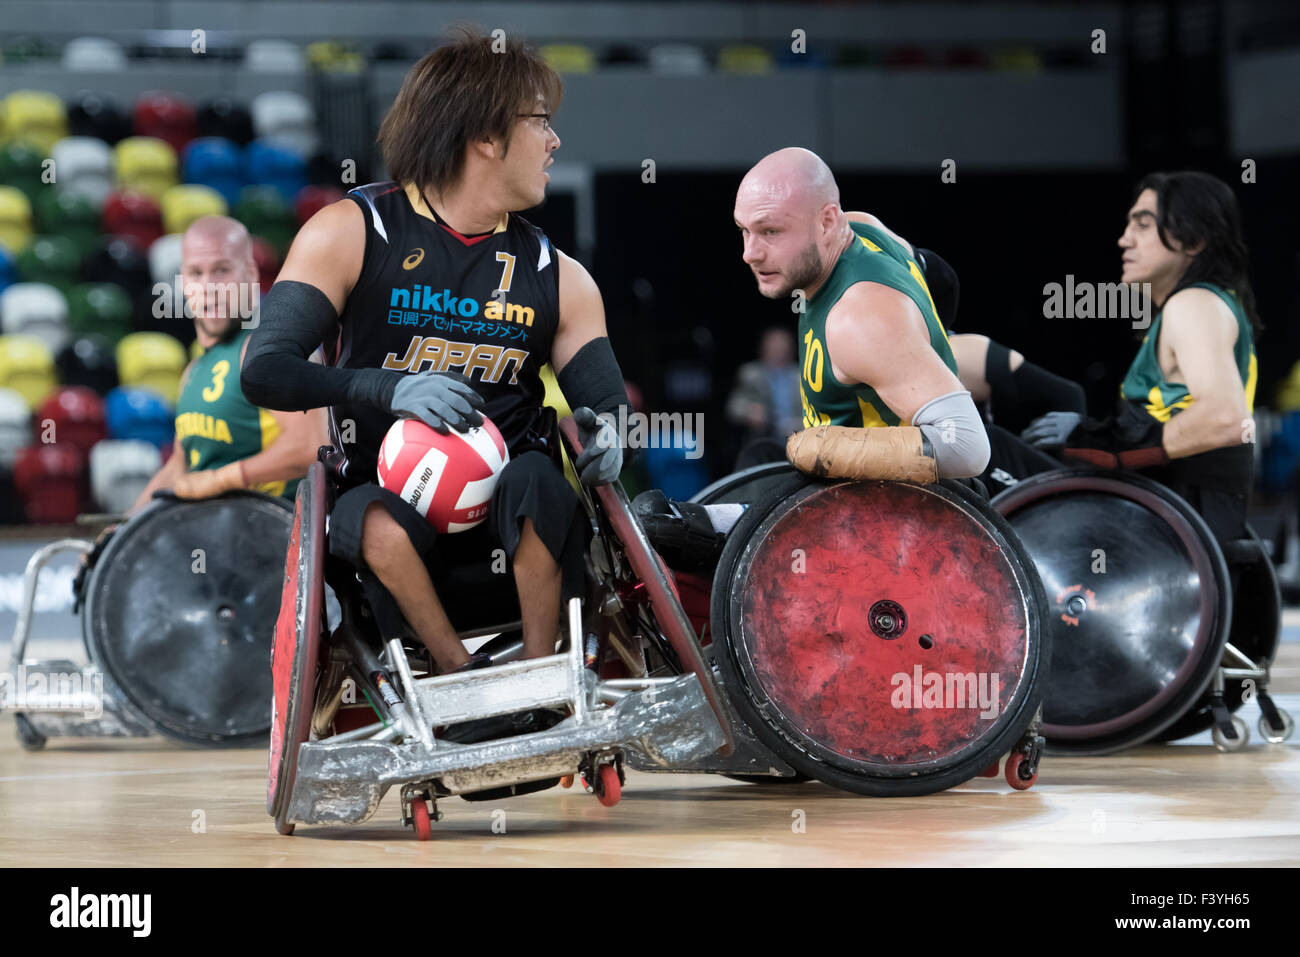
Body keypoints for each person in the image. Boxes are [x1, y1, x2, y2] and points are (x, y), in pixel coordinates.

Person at [242, 29, 631, 700]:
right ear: (484, 135)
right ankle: (459, 679)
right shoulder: (354, 231)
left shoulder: (559, 276)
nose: (554, 140)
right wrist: (383, 387)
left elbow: (604, 401)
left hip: (516, 521)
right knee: (368, 514)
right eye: (541, 121)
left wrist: (613, 432)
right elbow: (265, 369)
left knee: (541, 476)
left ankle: (542, 682)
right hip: (392, 518)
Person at [1014, 171, 1259, 543]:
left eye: (1142, 225)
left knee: (998, 451)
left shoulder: (1193, 304)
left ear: (1192, 240)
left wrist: (1105, 447)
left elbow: (1226, 418)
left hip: (1172, 523)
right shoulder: (1206, 305)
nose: (1124, 239)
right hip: (1176, 510)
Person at [733, 147, 989, 484]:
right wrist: (922, 341)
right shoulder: (862, 226)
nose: (749, 253)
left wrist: (837, 449)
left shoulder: (859, 320)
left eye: (770, 232)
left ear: (826, 222)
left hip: (891, 513)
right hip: (852, 494)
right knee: (758, 461)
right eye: (744, 230)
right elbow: (942, 278)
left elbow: (968, 447)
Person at [128, 215, 327, 513]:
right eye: (196, 273)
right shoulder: (194, 369)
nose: (208, 286)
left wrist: (220, 479)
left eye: (221, 270)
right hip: (212, 538)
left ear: (250, 273)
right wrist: (123, 527)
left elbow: (311, 446)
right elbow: (180, 466)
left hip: (271, 533)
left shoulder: (269, 345)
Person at [725, 327, 802, 466]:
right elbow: (734, 406)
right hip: (763, 441)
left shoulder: (801, 375)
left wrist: (801, 423)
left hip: (797, 442)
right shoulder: (750, 373)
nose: (780, 352)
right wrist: (750, 410)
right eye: (774, 347)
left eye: (783, 347)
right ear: (764, 349)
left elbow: (817, 410)